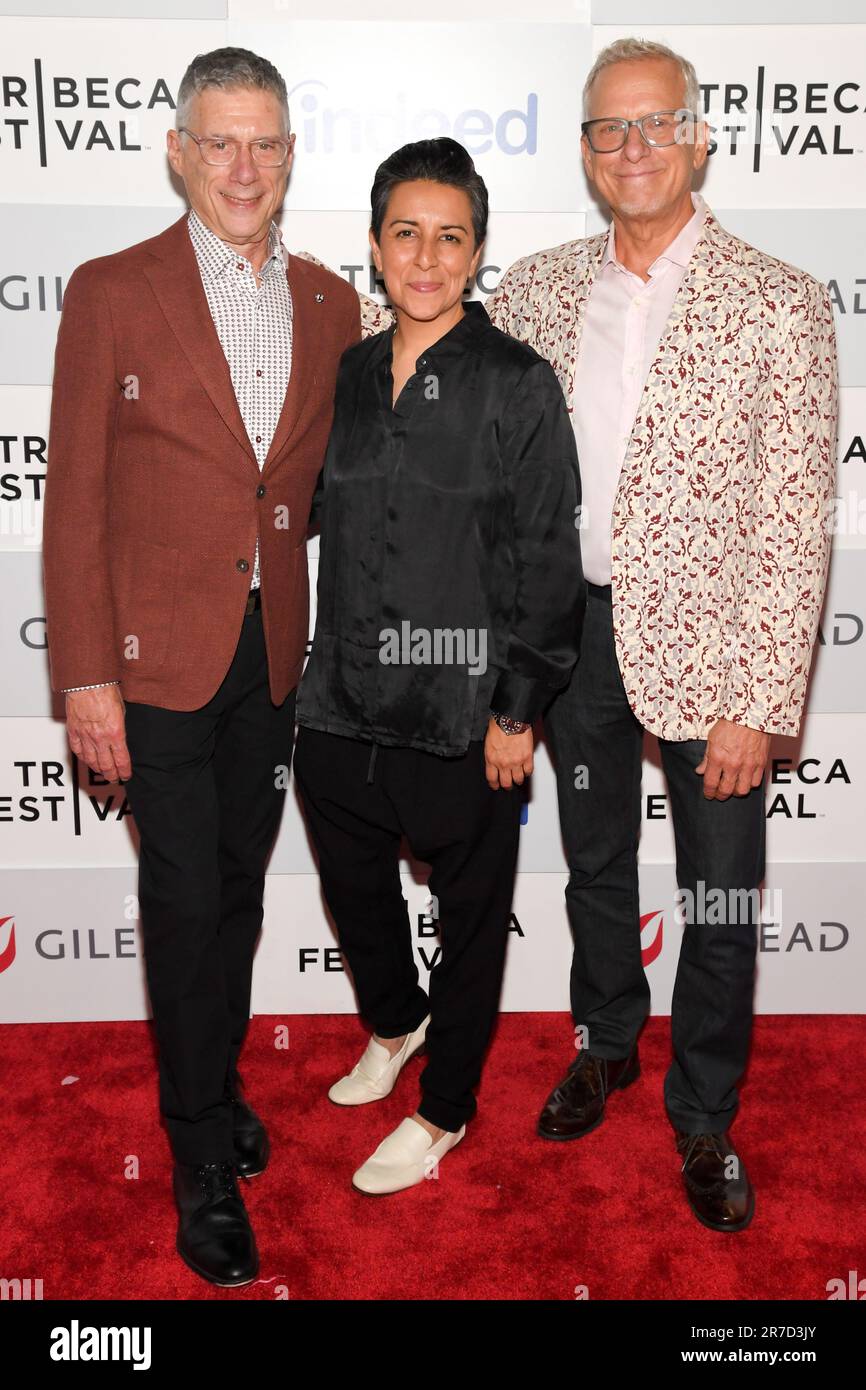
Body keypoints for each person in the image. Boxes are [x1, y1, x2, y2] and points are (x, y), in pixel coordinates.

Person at [41, 46, 386, 1287]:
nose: (244, 166)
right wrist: (84, 675)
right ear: (180, 151)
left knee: (235, 896)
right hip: (152, 662)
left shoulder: (325, 300)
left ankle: (211, 1077)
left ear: (291, 157)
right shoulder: (110, 289)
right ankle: (196, 1154)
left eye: (267, 143)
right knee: (187, 900)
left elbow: (328, 491)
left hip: (273, 663)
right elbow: (71, 500)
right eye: (221, 141)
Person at [487, 38, 838, 1231]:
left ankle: (703, 1112)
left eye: (653, 123)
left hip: (716, 650)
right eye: (605, 129)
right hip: (571, 632)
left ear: (697, 136)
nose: (630, 147)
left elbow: (797, 517)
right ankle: (605, 1040)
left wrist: (757, 699)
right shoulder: (535, 287)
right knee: (592, 861)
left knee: (723, 889)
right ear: (583, 152)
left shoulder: (780, 300)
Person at [293, 137, 585, 1195]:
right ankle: (393, 1019)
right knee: (353, 886)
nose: (425, 257)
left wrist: (518, 708)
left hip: (461, 708)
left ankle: (445, 1106)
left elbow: (546, 555)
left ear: (475, 253)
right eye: (404, 234)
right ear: (375, 247)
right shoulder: (351, 375)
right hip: (339, 699)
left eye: (448, 237)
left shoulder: (516, 383)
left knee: (469, 920)